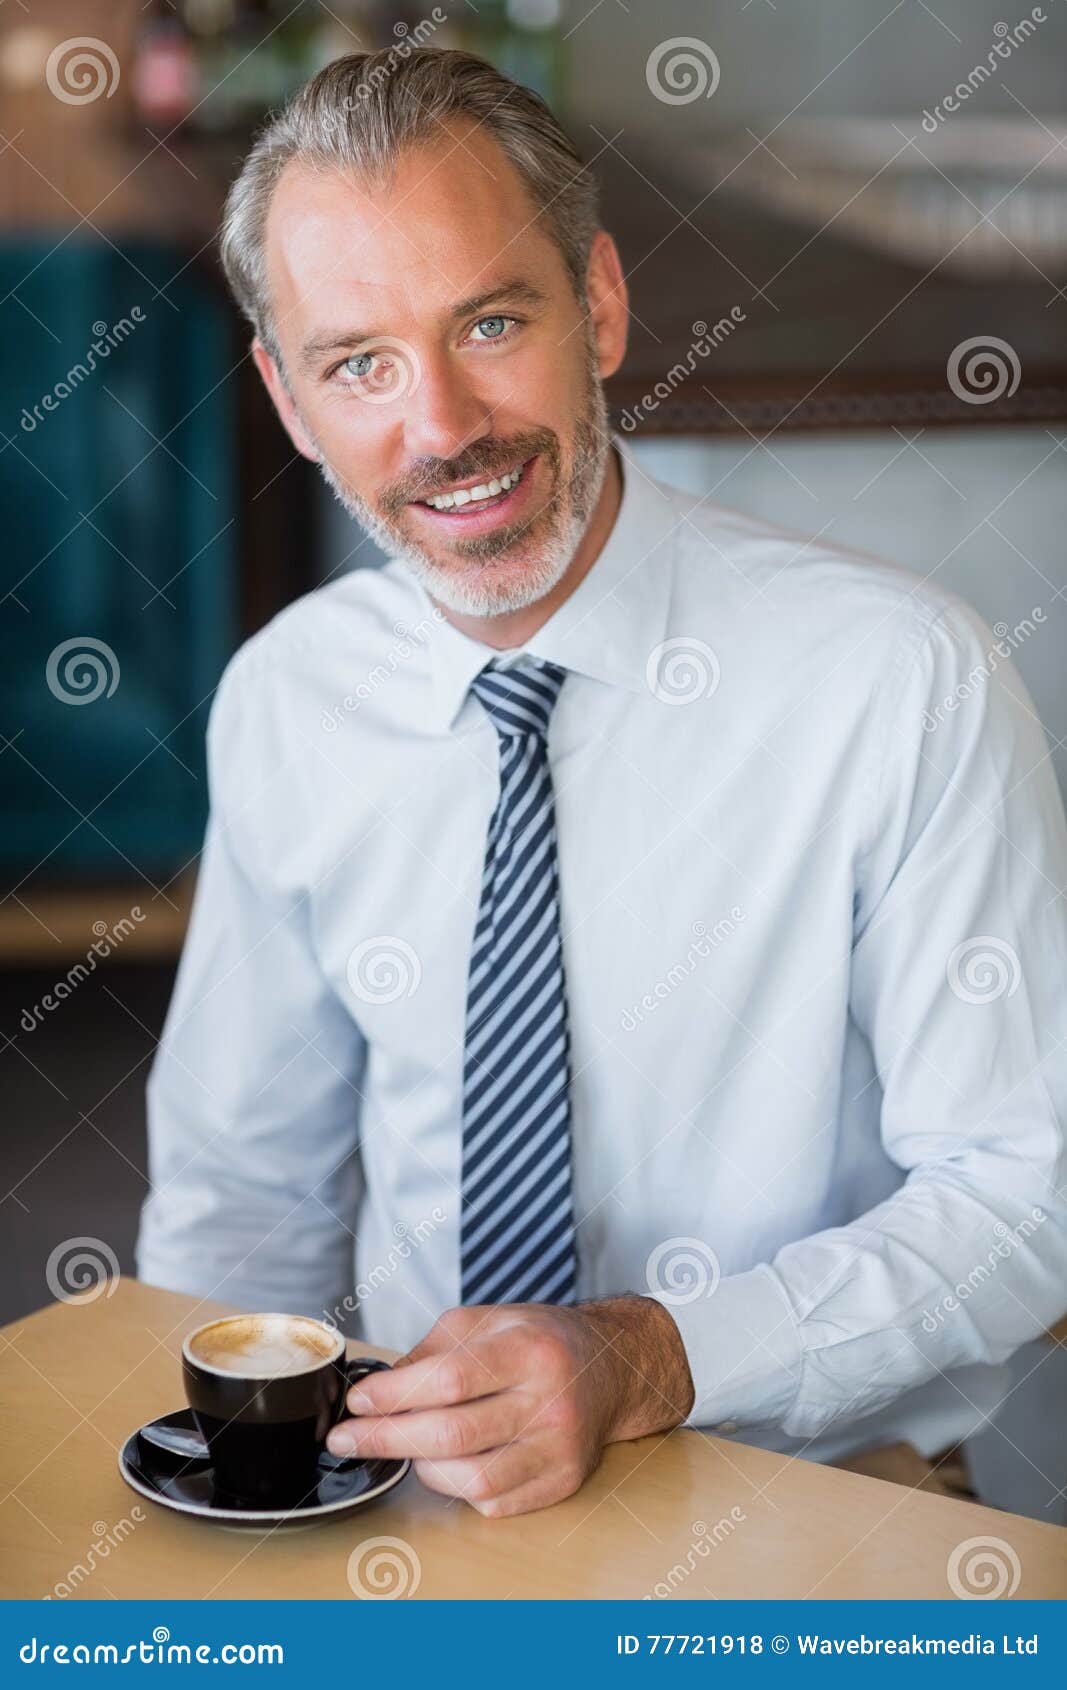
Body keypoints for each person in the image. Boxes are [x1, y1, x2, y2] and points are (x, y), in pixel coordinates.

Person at [137, 48, 1067, 1518]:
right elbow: (241, 1202)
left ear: (606, 307)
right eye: (360, 362)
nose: (441, 427)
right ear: (290, 400)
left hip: (821, 1505)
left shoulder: (900, 682)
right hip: (410, 1516)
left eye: (491, 321)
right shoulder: (288, 700)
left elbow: (1029, 1196)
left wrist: (652, 1357)